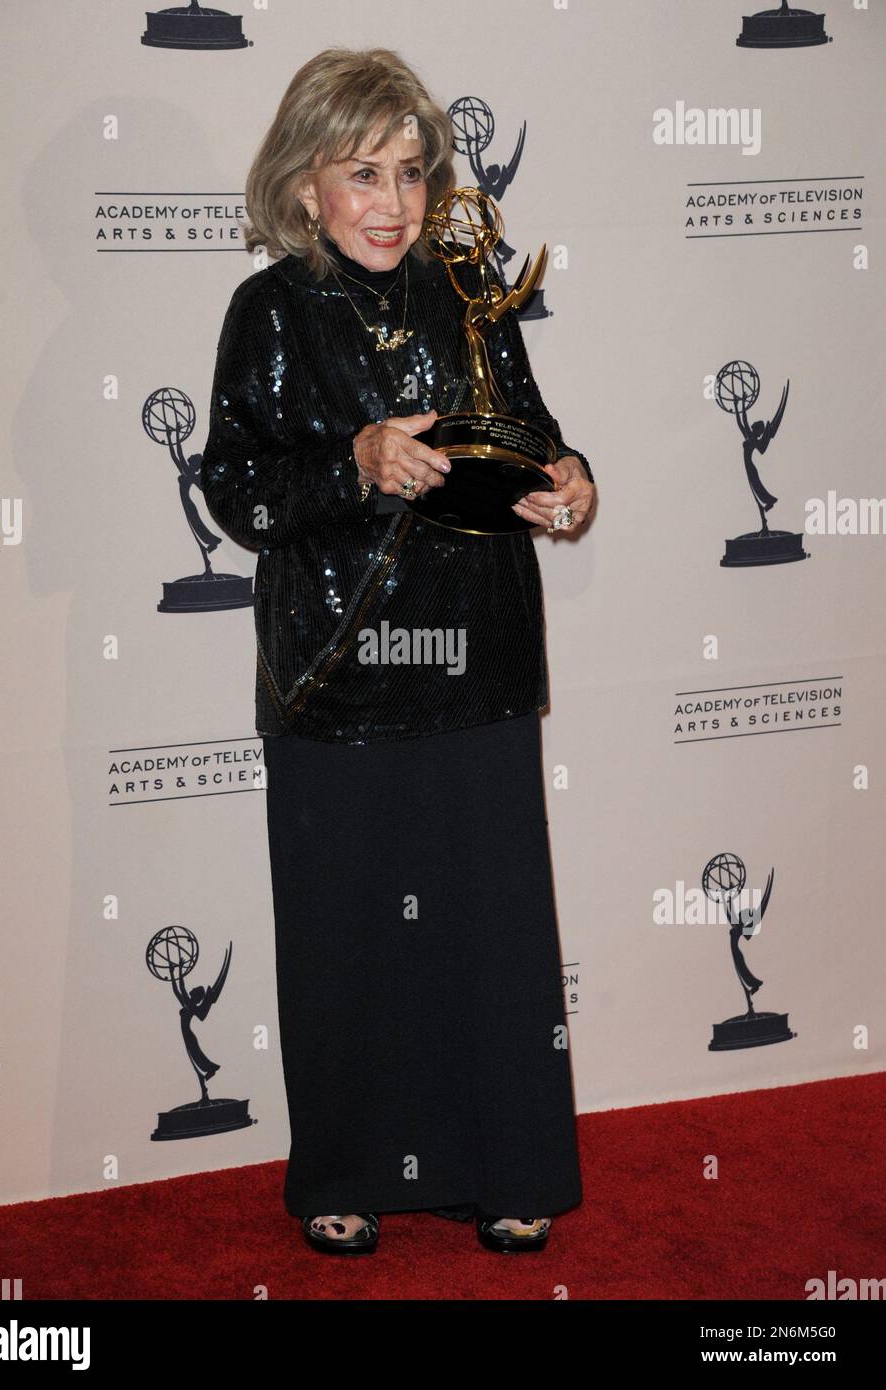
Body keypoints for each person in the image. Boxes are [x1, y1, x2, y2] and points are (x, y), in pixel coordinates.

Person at [199, 46, 595, 1257]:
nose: (392, 201)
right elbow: (235, 493)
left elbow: (526, 437)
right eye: (361, 172)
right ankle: (346, 1166)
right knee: (343, 935)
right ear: (303, 180)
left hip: (475, 660)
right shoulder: (270, 309)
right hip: (336, 673)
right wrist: (355, 462)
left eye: (412, 172)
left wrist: (564, 485)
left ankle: (508, 1164)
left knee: (496, 931)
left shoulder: (465, 287)